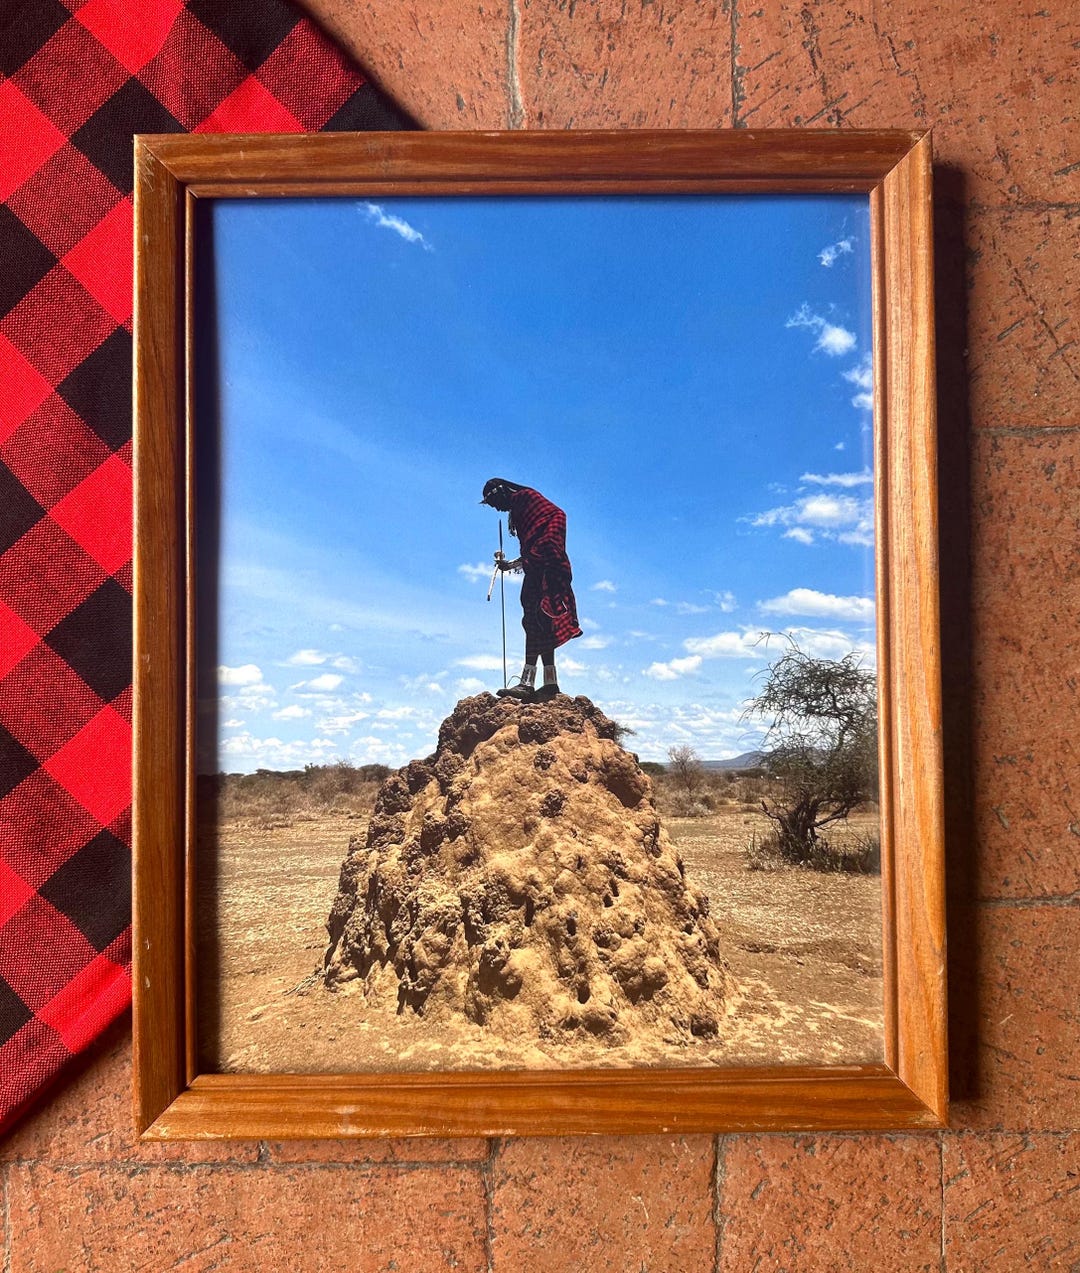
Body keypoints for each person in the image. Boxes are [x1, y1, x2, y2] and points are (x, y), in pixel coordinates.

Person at [480, 478, 582, 701]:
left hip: (547, 566)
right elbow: (531, 546)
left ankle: (527, 683)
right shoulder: (518, 508)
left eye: (494, 502)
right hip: (541, 565)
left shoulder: (525, 499)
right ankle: (550, 683)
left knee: (534, 620)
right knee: (541, 622)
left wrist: (543, 551)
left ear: (501, 492)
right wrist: (511, 565)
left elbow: (558, 515)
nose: (497, 508)